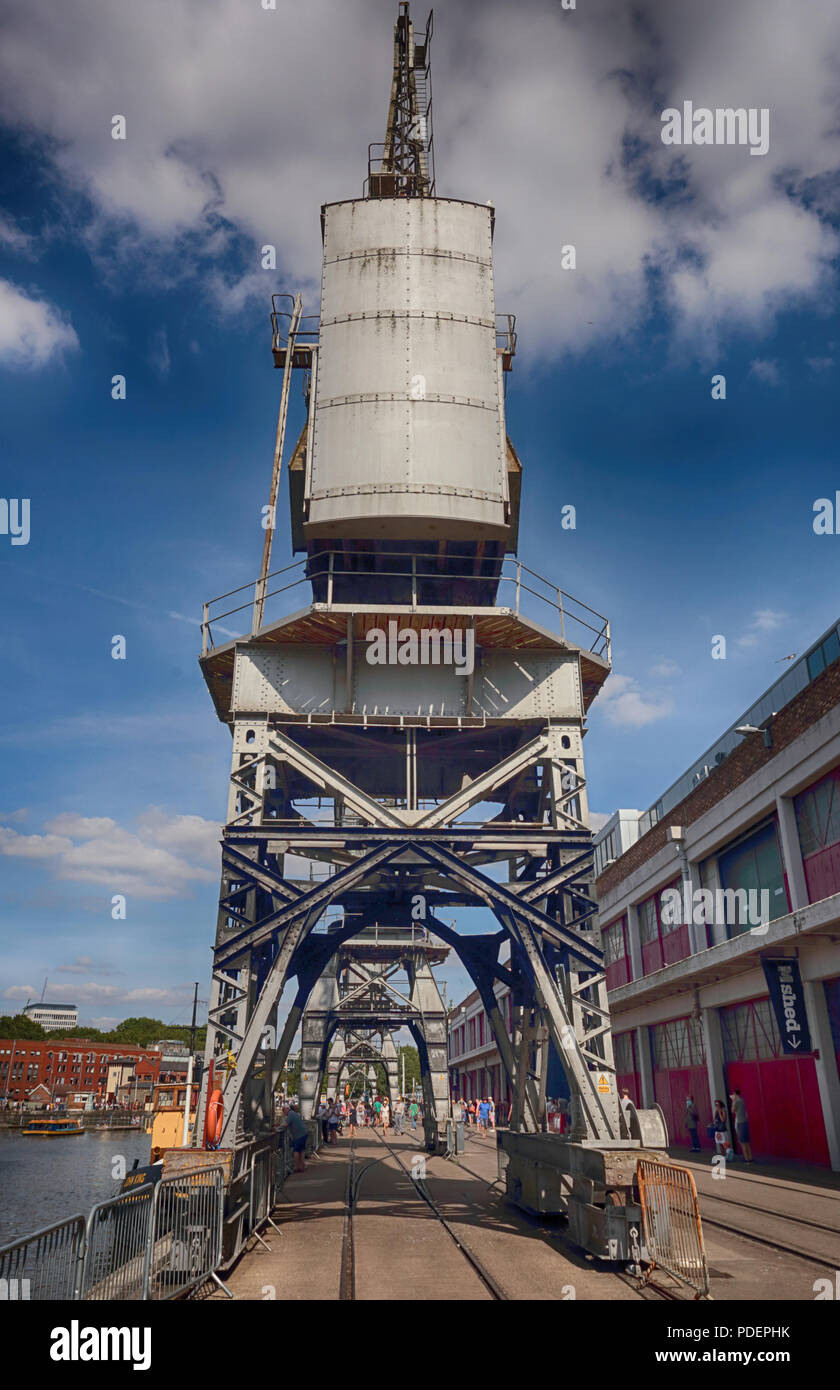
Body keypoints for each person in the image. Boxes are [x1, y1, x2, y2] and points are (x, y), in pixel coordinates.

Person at [285, 1103, 309, 1173]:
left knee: (296, 1151)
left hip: (299, 1135)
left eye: (284, 1110)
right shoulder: (295, 1114)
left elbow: (285, 1124)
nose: (283, 1112)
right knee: (302, 1150)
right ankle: (302, 1166)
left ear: (287, 1109)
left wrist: (277, 1128)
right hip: (303, 1133)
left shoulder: (291, 1114)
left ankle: (297, 1167)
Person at [730, 1090, 753, 1162]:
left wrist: (733, 1101)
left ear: (735, 1094)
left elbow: (732, 1111)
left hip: (740, 1122)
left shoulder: (737, 1102)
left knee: (742, 1142)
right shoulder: (742, 1101)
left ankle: (747, 1158)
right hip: (745, 1122)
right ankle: (750, 1157)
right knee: (746, 1141)